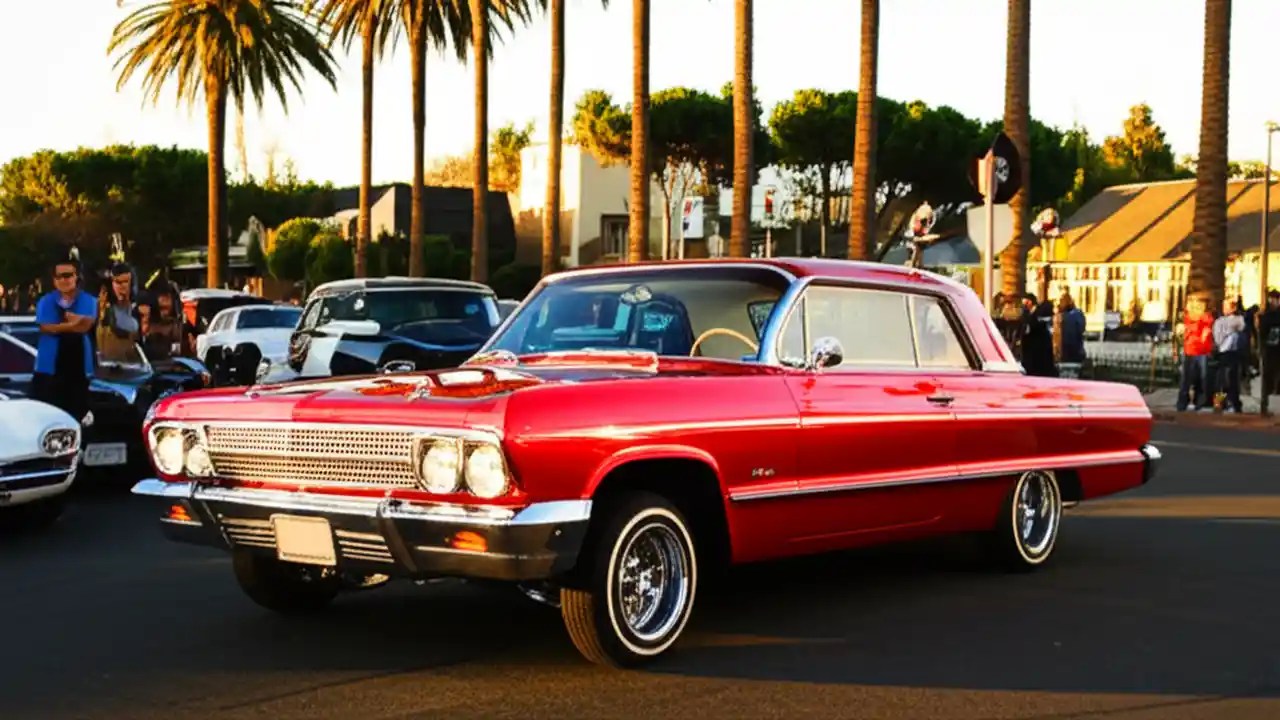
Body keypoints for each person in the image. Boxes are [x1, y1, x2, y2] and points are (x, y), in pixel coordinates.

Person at [32, 256, 98, 423]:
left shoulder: (89, 300)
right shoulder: (46, 301)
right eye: (59, 276)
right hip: (49, 370)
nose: (63, 280)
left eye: (68, 275)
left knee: (78, 418)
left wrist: (61, 325)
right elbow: (45, 327)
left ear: (77, 277)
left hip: (79, 369)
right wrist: (74, 322)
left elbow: (85, 326)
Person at [1176, 294, 1215, 412]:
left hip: (1201, 351)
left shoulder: (1206, 318)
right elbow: (1182, 334)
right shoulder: (1186, 318)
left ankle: (1200, 401)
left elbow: (1204, 332)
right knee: (1186, 378)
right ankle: (1184, 402)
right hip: (1190, 350)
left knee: (1201, 378)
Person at [96, 263, 141, 363]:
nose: (122, 287)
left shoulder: (139, 309)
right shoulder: (102, 309)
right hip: (106, 369)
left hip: (133, 369)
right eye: (117, 282)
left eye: (125, 282)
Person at [1212, 297, 1246, 413]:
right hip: (1223, 353)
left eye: (1227, 306)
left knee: (1232, 381)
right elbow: (1218, 337)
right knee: (1222, 381)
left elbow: (1240, 326)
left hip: (1234, 353)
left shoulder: (1238, 319)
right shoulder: (1220, 321)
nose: (1224, 308)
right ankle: (1219, 403)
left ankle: (1233, 403)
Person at [1258, 290, 1280, 402]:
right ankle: (1265, 400)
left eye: (1276, 299)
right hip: (1269, 349)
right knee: (1267, 375)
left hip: (1277, 350)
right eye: (1271, 299)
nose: (1273, 302)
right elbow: (1261, 333)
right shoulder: (1266, 315)